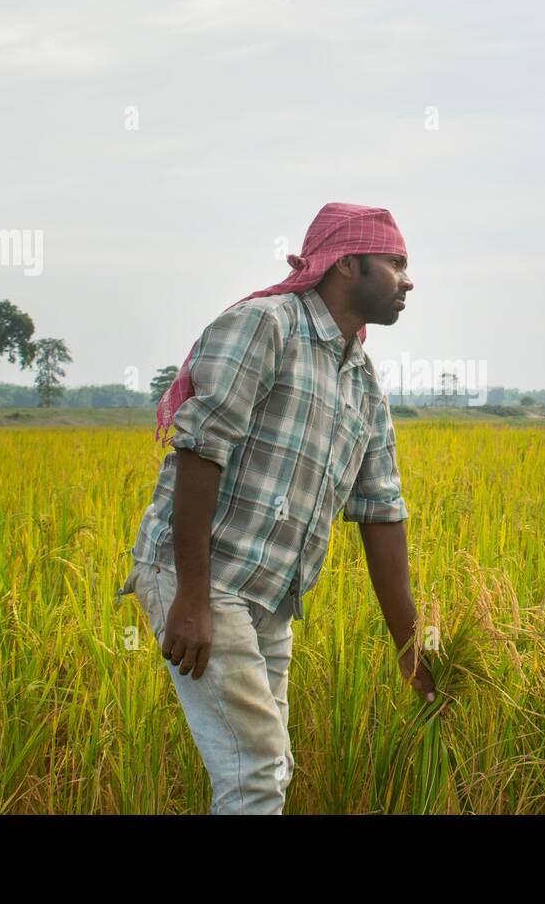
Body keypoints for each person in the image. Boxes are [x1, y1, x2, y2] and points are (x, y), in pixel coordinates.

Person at [119, 202, 434, 814]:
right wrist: (191, 594)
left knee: (267, 767)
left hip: (270, 599)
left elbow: (381, 511)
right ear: (348, 263)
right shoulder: (267, 325)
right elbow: (200, 449)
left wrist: (409, 648)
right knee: (257, 774)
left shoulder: (362, 379)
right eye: (395, 263)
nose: (408, 280)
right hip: (207, 580)